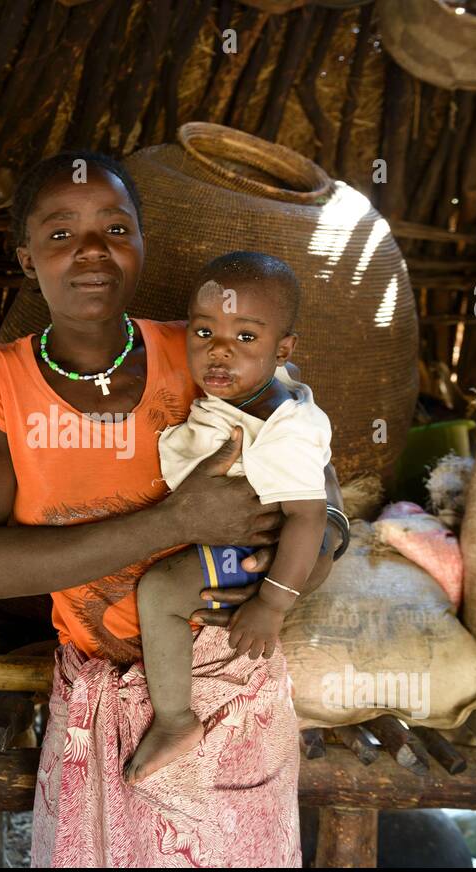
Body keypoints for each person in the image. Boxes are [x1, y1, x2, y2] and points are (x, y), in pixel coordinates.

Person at [0, 150, 346, 867]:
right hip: (95, 696)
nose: (92, 251)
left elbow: (324, 507)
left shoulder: (204, 352)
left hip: (228, 687)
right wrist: (175, 523)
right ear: (26, 257)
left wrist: (268, 589)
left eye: (115, 228)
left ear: (141, 245)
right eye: (61, 234)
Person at [126, 252, 332, 784]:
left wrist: (271, 603)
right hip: (224, 526)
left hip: (260, 547)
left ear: (282, 349)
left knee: (161, 593)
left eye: (245, 337)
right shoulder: (257, 388)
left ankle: (174, 719)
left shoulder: (283, 427)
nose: (218, 350)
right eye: (204, 331)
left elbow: (308, 519)